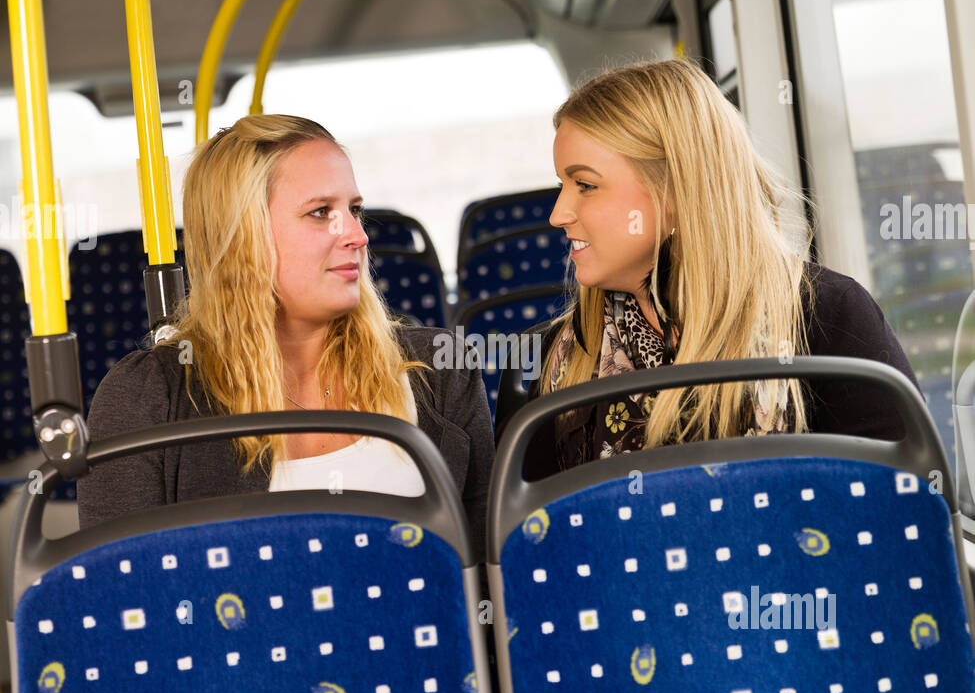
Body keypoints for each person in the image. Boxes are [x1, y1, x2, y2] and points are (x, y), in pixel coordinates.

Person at [77, 114, 494, 557]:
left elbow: (487, 578)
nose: (357, 235)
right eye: (320, 213)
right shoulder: (150, 400)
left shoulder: (439, 371)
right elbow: (121, 605)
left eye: (354, 210)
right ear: (243, 237)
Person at [510, 59, 920, 479]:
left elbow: (902, 516)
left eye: (585, 185)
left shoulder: (826, 318)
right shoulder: (562, 357)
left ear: (671, 188)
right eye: (563, 185)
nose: (558, 214)